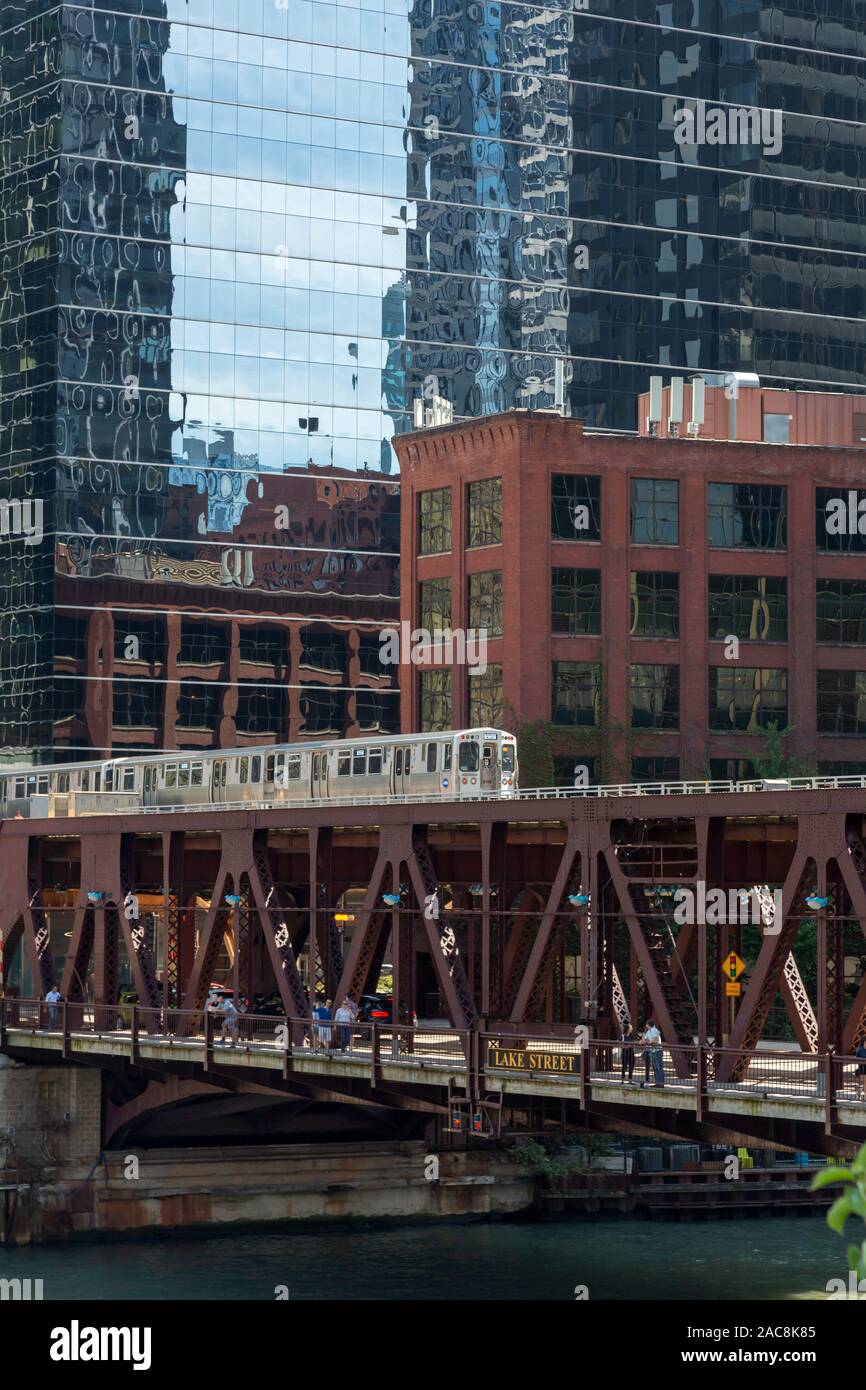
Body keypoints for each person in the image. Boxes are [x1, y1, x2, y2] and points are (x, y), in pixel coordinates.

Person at [641, 1018, 664, 1085]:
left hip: (657, 1051)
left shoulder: (654, 1030)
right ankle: (657, 1083)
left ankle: (660, 1083)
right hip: (653, 1051)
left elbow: (655, 1040)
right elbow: (645, 1040)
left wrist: (647, 1042)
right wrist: (644, 1041)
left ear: (648, 1025)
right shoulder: (649, 1031)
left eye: (646, 1025)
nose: (646, 1026)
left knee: (658, 1067)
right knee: (655, 1067)